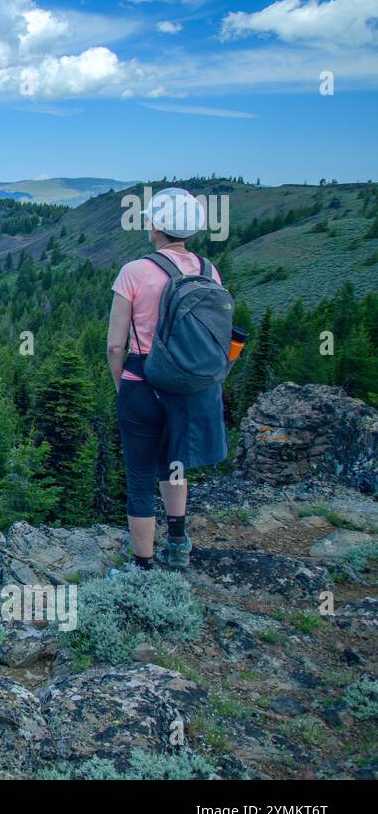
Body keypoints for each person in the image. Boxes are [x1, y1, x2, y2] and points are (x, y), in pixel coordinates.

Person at [106, 188, 229, 569]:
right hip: (191, 387)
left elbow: (115, 345)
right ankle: (177, 544)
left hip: (143, 381)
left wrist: (121, 386)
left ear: (157, 224)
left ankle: (142, 566)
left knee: (140, 474)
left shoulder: (135, 271)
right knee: (175, 464)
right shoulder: (209, 271)